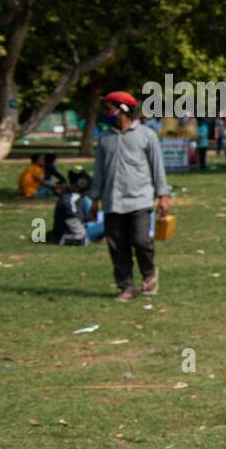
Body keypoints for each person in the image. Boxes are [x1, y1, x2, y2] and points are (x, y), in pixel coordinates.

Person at [90, 91, 171, 301]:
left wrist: (163, 196)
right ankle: (126, 287)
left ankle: (149, 273)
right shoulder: (105, 137)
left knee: (141, 241)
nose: (105, 112)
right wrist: (94, 199)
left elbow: (157, 168)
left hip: (140, 199)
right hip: (112, 201)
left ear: (123, 109)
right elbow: (99, 170)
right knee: (117, 246)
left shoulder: (146, 135)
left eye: (108, 108)